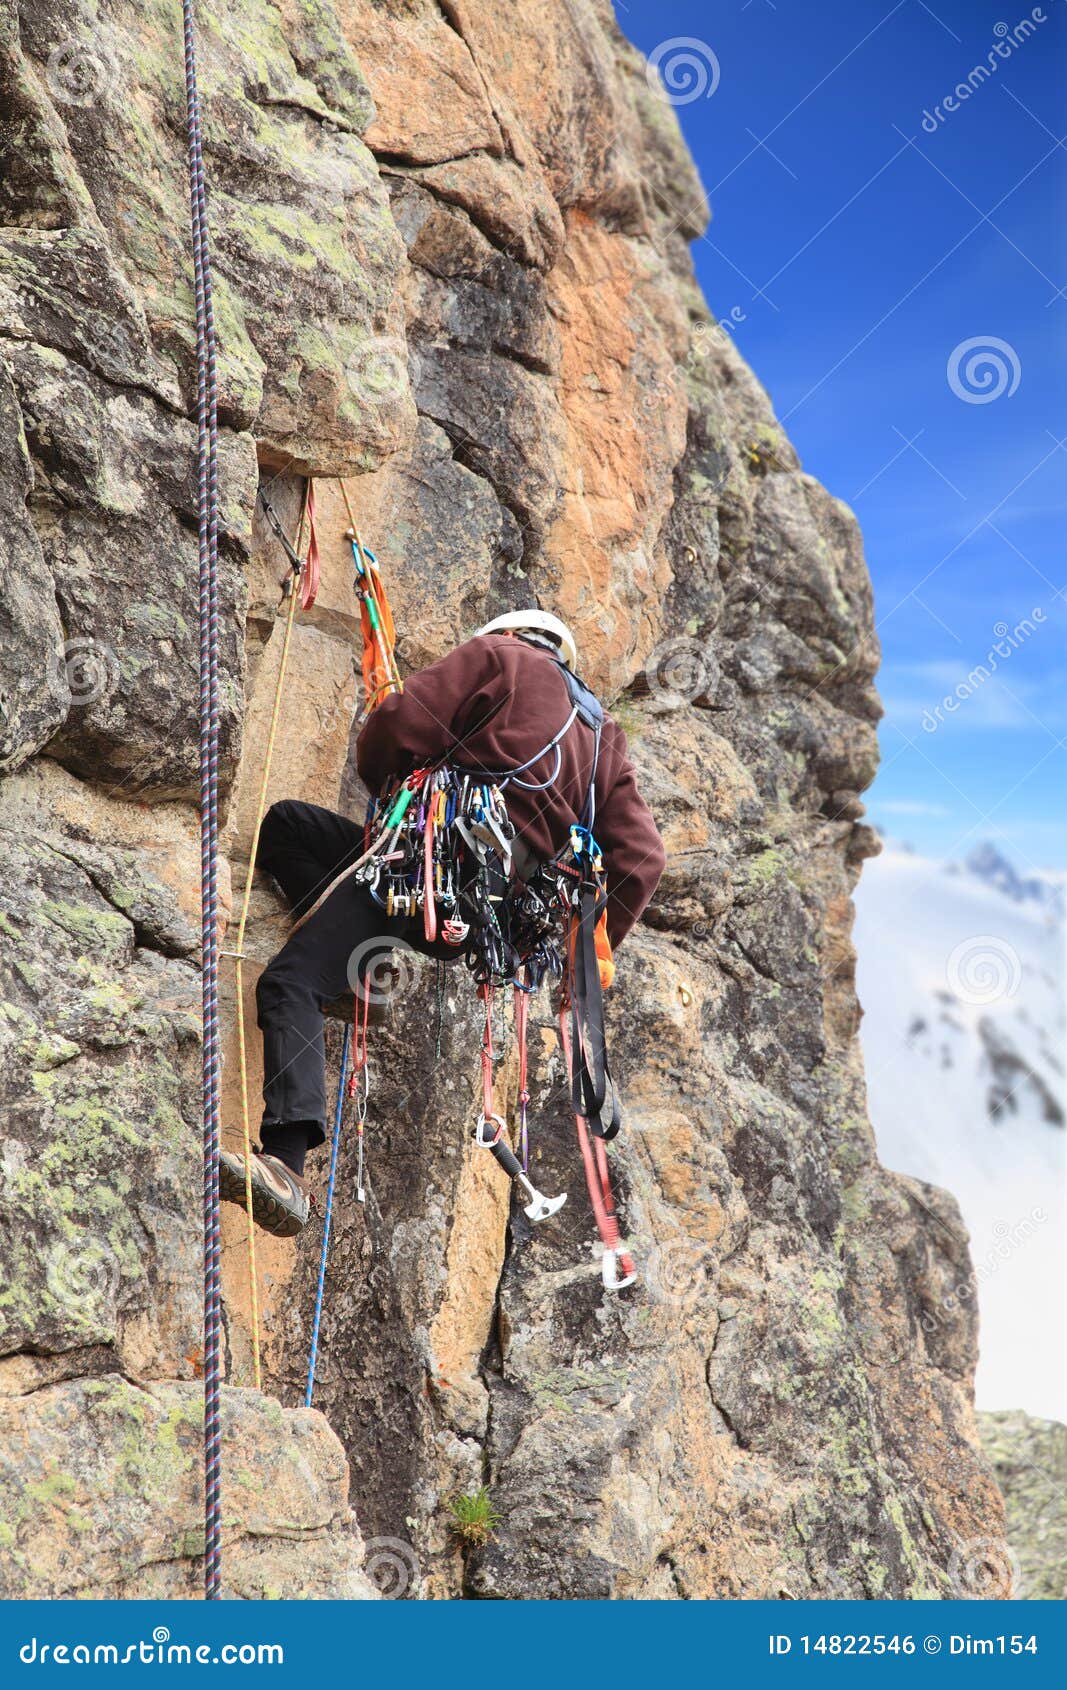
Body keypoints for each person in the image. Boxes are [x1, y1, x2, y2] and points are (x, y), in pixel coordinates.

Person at [219, 609, 666, 1236]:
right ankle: (360, 979)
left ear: (508, 635)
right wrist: (582, 961)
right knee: (291, 827)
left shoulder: (499, 659)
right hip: (488, 923)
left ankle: (286, 1168)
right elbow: (643, 860)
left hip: (421, 871)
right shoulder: (605, 740)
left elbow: (400, 723)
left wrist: (385, 777)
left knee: (289, 982)